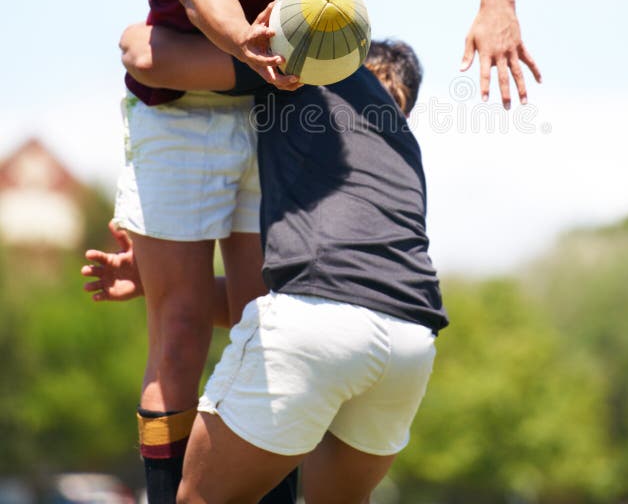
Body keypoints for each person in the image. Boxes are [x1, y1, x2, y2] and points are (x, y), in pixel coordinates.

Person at [112, 0, 539, 502]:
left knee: (262, 321)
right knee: (181, 327)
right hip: (186, 99)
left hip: (273, 107)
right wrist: (245, 43)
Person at [85, 39, 447, 504]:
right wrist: (156, 279)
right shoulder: (403, 150)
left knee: (198, 498)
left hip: (317, 326)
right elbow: (353, 292)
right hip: (410, 343)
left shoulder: (305, 75)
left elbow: (147, 58)